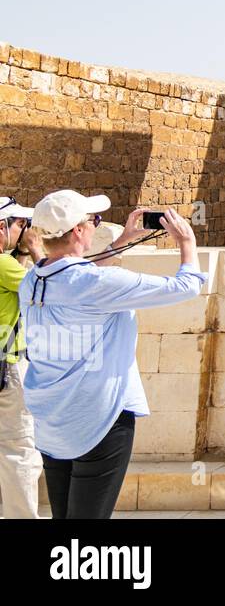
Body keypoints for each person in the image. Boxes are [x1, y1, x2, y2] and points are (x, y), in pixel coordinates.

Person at [21, 191, 206, 519]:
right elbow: (187, 285)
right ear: (78, 231)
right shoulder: (97, 283)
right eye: (93, 220)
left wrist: (121, 242)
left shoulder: (32, 282)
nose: (96, 225)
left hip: (53, 420)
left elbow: (71, 277)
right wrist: (186, 242)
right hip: (100, 419)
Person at [0, 197, 42, 519]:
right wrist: (37, 248)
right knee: (20, 450)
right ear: (3, 227)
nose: (25, 231)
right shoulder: (3, 265)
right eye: (20, 224)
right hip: (9, 367)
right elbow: (46, 287)